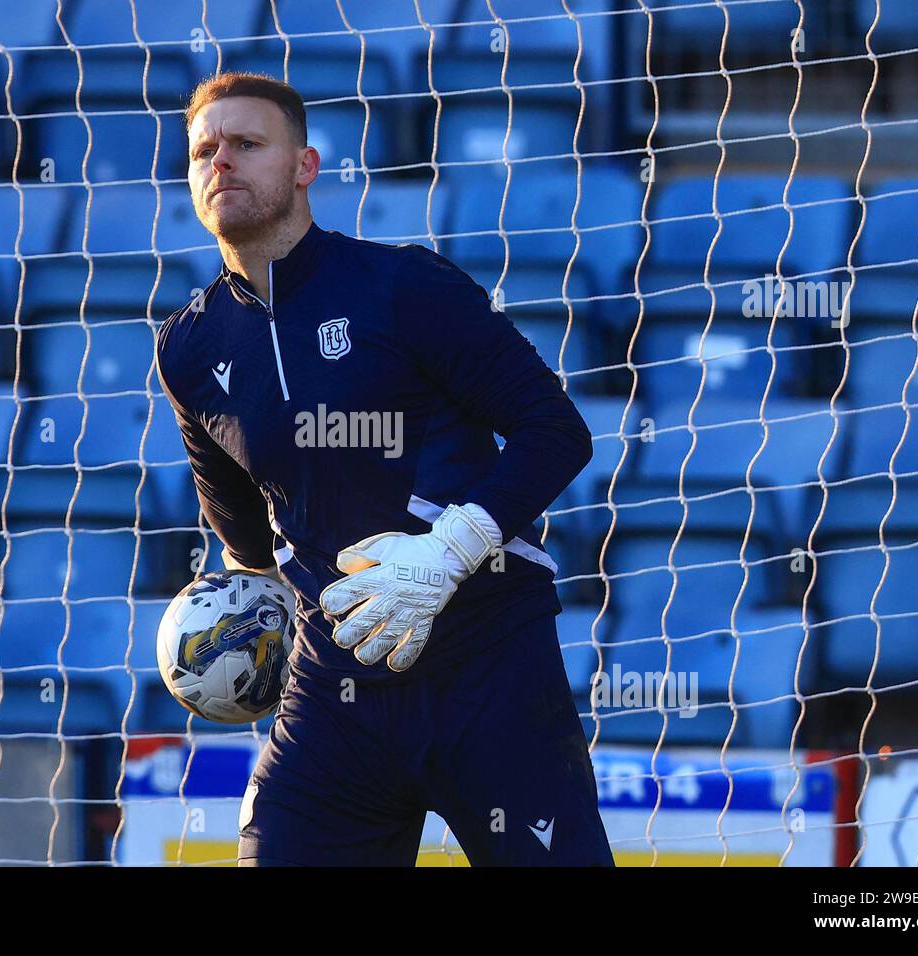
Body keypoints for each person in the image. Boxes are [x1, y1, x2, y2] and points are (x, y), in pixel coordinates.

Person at [154, 72, 613, 866]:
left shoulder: (405, 287)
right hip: (335, 695)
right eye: (204, 149)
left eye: (247, 144)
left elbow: (557, 431)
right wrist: (231, 639)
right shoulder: (189, 349)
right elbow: (249, 554)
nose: (221, 161)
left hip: (488, 670)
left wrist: (447, 553)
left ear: (305, 165)